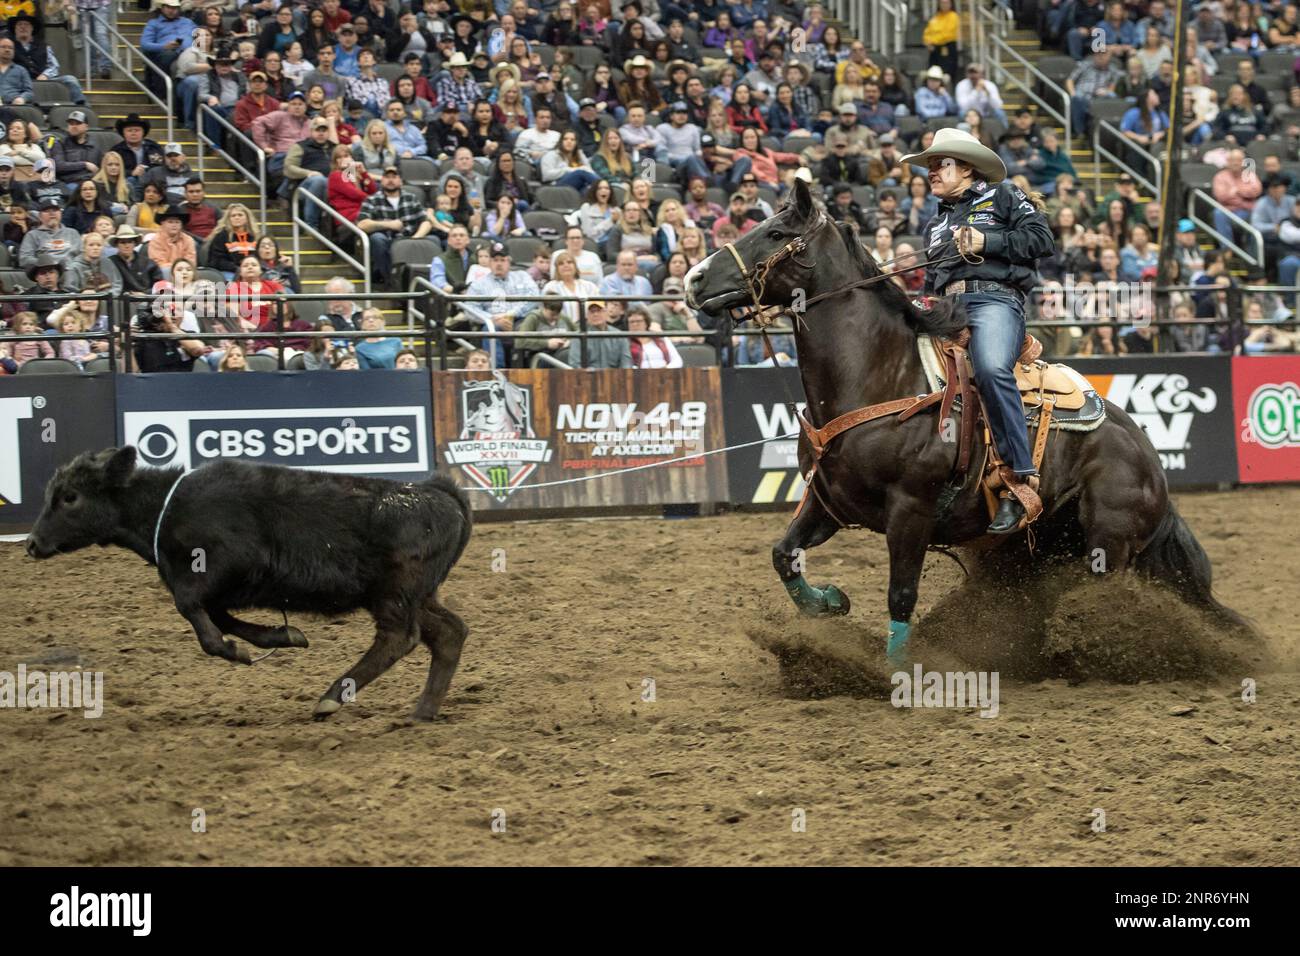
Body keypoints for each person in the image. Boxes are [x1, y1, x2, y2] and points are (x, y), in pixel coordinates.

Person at [900, 127, 1054, 533]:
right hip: (947, 307)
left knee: (989, 368)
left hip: (995, 300)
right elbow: (933, 284)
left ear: (967, 168)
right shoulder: (934, 225)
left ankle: (1020, 478)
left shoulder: (1003, 195)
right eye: (929, 166)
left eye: (941, 164)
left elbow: (1041, 238)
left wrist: (988, 239)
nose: (932, 172)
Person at [461, 241, 540, 367]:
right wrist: (492, 319)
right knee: (489, 329)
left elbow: (534, 297)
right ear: (490, 262)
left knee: (528, 325)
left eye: (502, 260)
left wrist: (510, 314)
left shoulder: (522, 276)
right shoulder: (478, 284)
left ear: (508, 261)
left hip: (521, 320)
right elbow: (470, 308)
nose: (499, 264)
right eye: (495, 260)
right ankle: (497, 373)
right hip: (493, 323)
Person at [356, 164, 433, 287]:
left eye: (394, 176)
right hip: (387, 240)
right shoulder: (372, 200)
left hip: (409, 238)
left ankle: (427, 283)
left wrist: (416, 238)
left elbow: (426, 222)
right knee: (377, 239)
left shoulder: (411, 198)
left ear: (400, 181)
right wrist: (389, 224)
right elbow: (362, 224)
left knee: (434, 240)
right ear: (382, 180)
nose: (390, 180)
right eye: (387, 177)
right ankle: (389, 281)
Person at [567, 299, 631, 368]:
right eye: (592, 312)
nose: (595, 314)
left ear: (606, 312)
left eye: (599, 311)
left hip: (615, 377)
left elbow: (626, 364)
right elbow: (575, 365)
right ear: (587, 315)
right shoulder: (578, 337)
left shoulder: (620, 336)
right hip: (587, 377)